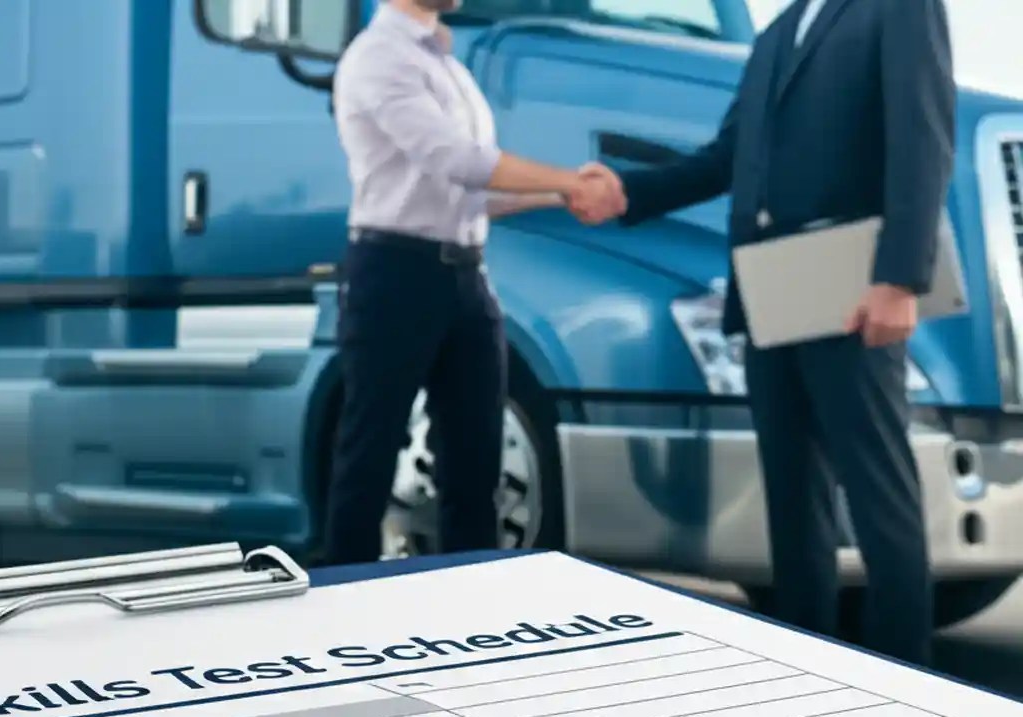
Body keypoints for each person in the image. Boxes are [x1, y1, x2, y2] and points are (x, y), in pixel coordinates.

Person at [574, 0, 956, 667]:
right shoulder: (778, 33)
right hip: (771, 293)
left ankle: (909, 675)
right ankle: (806, 668)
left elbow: (922, 138)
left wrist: (900, 279)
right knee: (793, 502)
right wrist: (629, 193)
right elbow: (730, 156)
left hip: (850, 286)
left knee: (879, 497)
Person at [322, 0, 623, 566]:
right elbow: (457, 159)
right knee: (370, 453)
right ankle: (344, 593)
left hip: (465, 275)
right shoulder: (379, 57)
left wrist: (562, 196)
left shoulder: (448, 67)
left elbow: (472, 191)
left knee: (476, 460)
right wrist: (567, 180)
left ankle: (473, 595)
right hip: (395, 273)